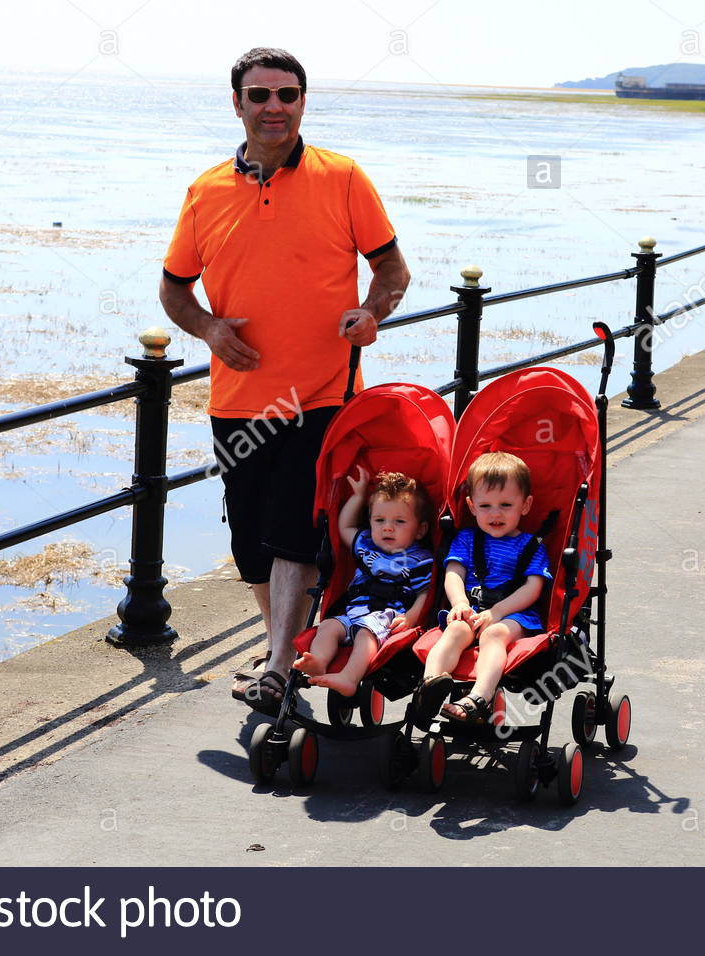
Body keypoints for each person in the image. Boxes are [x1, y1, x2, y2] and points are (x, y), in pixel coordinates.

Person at [159, 48, 412, 710]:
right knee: (249, 544)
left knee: (296, 531)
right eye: (260, 94)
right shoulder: (206, 189)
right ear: (237, 103)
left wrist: (372, 312)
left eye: (287, 94)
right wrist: (210, 329)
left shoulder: (345, 177)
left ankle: (276, 665)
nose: (275, 106)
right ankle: (285, 646)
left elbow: (392, 271)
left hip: (325, 393)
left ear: (303, 102)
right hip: (238, 401)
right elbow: (174, 287)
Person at [413, 452, 552, 726]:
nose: (495, 513)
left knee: (494, 634)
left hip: (515, 614)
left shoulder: (531, 546)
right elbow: (453, 573)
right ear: (471, 506)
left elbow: (533, 588)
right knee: (454, 630)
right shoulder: (466, 538)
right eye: (485, 505)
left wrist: (499, 611)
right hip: (473, 608)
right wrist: (459, 603)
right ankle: (430, 685)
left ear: (525, 505)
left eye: (505, 505)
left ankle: (479, 697)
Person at [292, 468, 433, 697]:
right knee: (328, 626)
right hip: (353, 612)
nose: (387, 527)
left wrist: (411, 617)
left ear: (420, 530)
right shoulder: (366, 543)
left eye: (399, 521)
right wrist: (357, 497)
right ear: (370, 522)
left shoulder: (419, 559)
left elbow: (425, 593)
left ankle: (349, 677)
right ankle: (318, 661)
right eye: (379, 520)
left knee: (365, 634)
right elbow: (345, 528)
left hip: (386, 618)